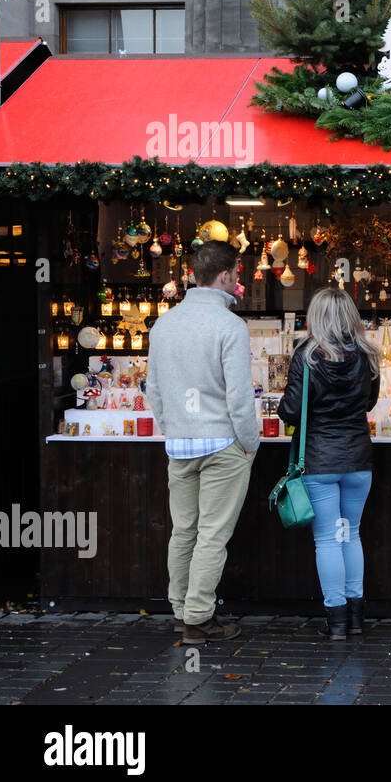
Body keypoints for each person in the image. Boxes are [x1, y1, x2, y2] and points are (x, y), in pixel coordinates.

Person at [146, 241, 257, 645]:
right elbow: (239, 398)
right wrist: (251, 443)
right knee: (212, 533)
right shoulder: (230, 327)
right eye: (238, 274)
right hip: (222, 442)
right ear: (226, 275)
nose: (238, 281)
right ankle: (197, 617)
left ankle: (181, 609)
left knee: (185, 530)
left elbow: (153, 389)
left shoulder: (165, 324)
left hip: (180, 442)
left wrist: (172, 425)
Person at [278, 288, 381, 640]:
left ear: (316, 317)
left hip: (321, 460)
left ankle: (336, 622)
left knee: (327, 540)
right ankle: (355, 618)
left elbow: (290, 412)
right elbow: (369, 403)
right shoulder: (368, 355)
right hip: (358, 460)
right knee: (349, 534)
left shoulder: (306, 357)